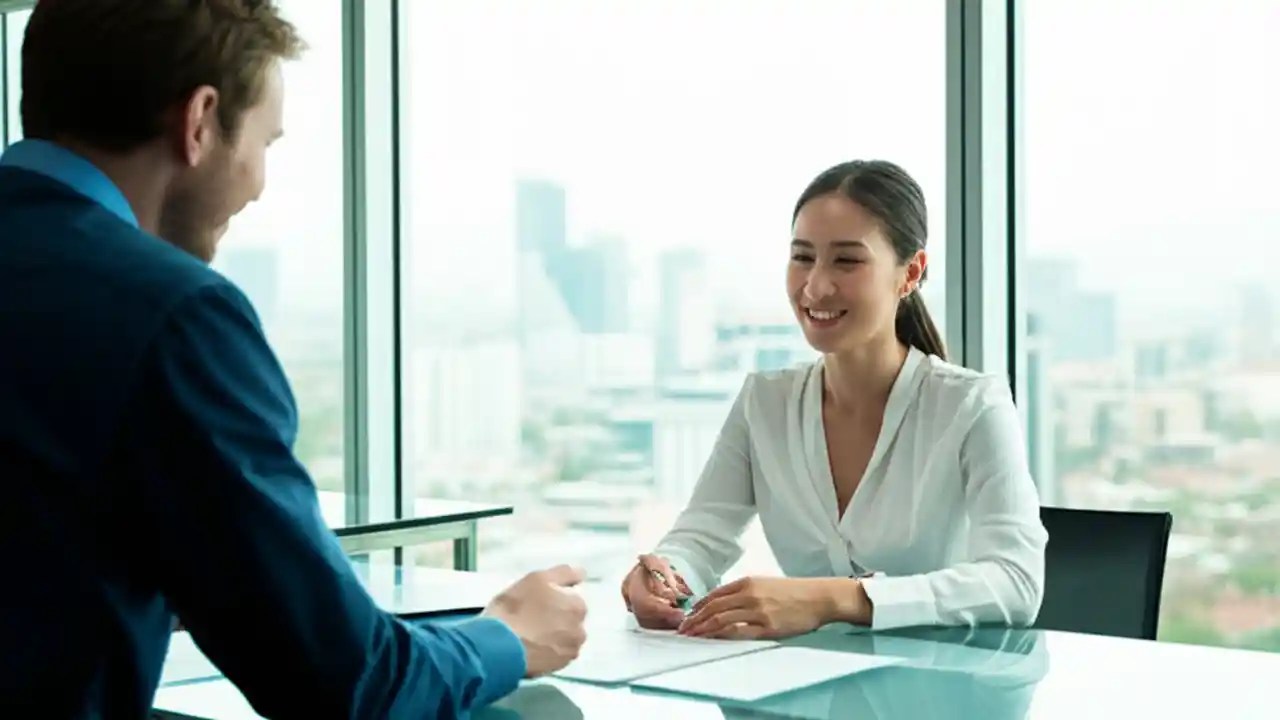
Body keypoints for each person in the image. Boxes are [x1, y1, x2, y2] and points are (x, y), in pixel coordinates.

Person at [0, 2, 585, 717]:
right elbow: (344, 683)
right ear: (200, 122)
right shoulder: (171, 314)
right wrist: (506, 638)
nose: (258, 184)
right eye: (265, 143)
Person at [621, 160, 1047, 639]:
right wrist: (664, 576)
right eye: (803, 257)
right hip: (806, 692)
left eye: (847, 260)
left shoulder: (972, 406)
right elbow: (700, 538)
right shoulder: (765, 402)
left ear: (910, 273)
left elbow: (1016, 581)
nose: (816, 286)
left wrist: (834, 598)